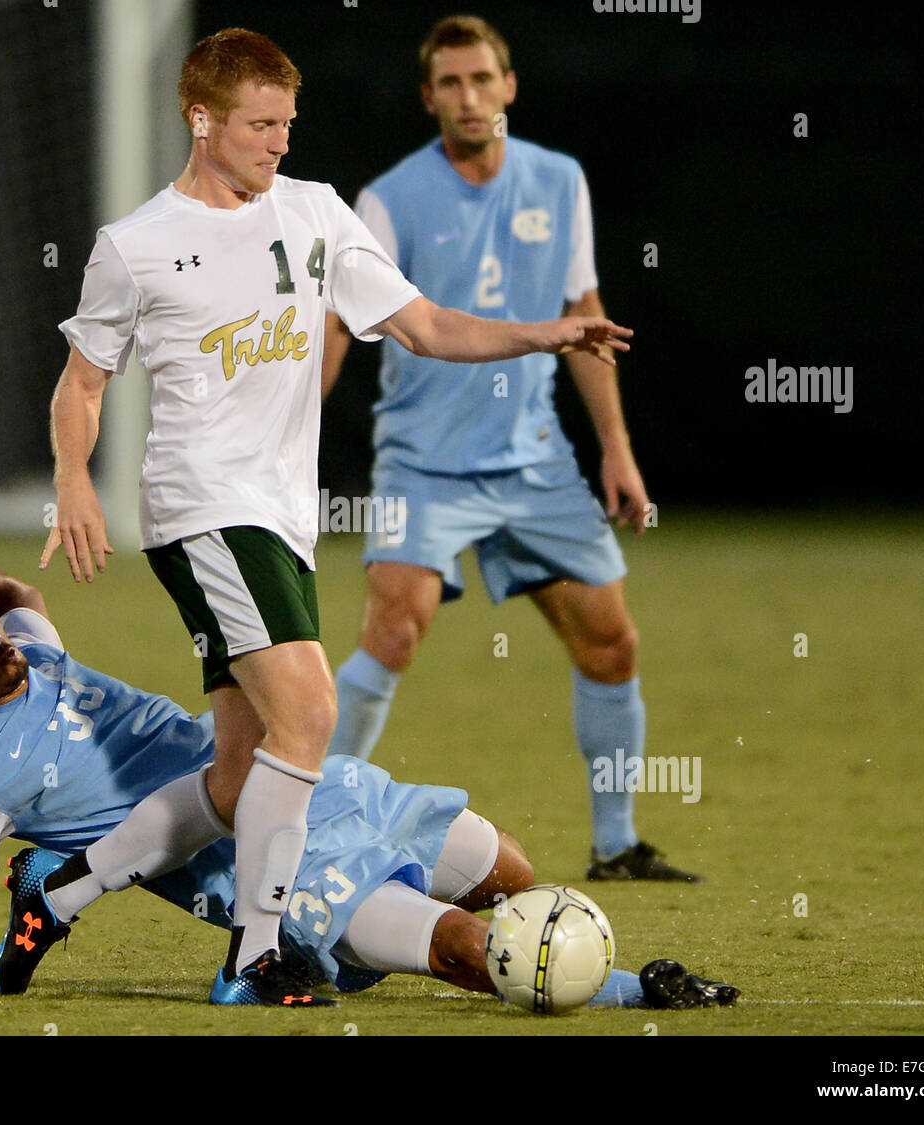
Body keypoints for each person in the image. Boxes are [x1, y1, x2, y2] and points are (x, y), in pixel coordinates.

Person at [37, 27, 634, 1001]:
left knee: (237, 777)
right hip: (199, 511)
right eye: (259, 125)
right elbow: (83, 381)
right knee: (310, 713)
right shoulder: (135, 246)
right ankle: (256, 952)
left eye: (287, 124)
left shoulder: (314, 213)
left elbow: (427, 325)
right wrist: (71, 477)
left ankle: (58, 896)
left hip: (281, 520)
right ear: (201, 119)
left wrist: (546, 334)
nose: (278, 143)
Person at [0, 547, 737, 1012]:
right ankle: (638, 988)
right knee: (469, 948)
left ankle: (60, 891)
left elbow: (20, 597)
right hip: (237, 852)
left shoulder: (32, 651)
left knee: (512, 875)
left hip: (299, 773)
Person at [321, 16, 697, 884]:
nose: (468, 96)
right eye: (450, 83)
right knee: (394, 626)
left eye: (482, 79)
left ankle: (616, 845)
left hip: (533, 463)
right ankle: (314, 815)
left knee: (612, 644)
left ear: (509, 86)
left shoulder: (559, 182)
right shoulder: (390, 198)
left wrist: (617, 448)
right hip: (425, 460)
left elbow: (583, 315)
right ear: (429, 98)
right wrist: (295, 432)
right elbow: (341, 320)